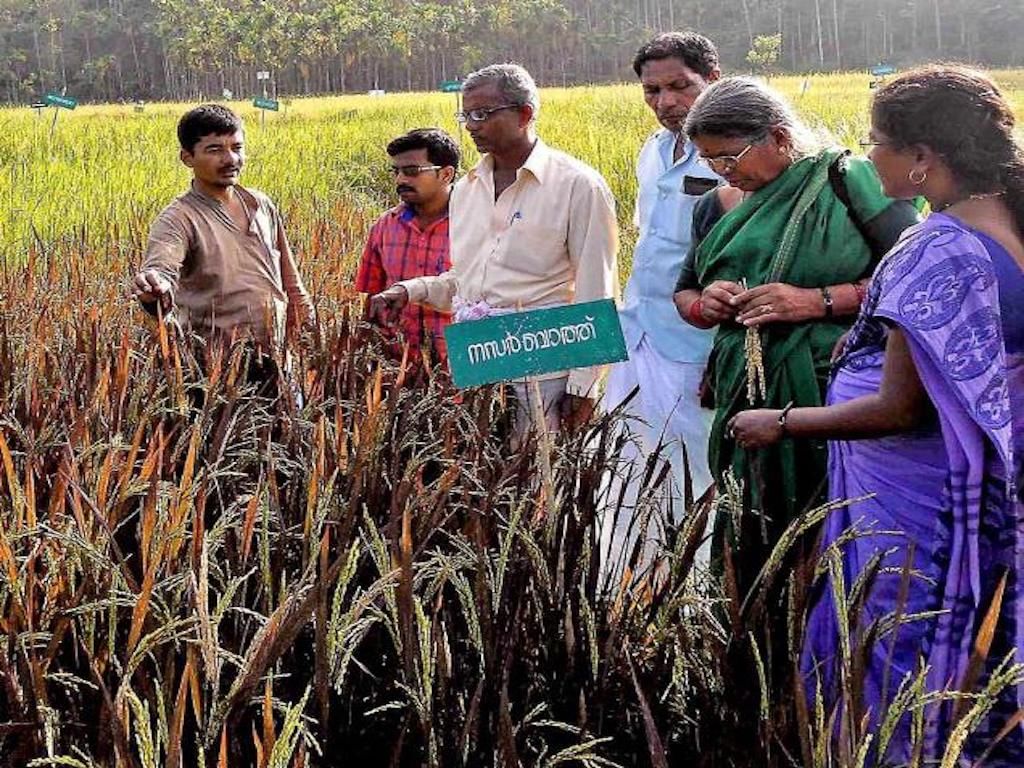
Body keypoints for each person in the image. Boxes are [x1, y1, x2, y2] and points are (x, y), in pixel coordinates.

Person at [730, 65, 1024, 764]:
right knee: (983, 646)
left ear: (922, 158)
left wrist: (782, 420)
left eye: (876, 142)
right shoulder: (1009, 218)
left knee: (904, 647)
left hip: (915, 503)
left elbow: (898, 409)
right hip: (984, 493)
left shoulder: (937, 249)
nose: (867, 156)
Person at [672, 77, 919, 596]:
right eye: (711, 161)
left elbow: (913, 277)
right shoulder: (713, 207)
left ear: (780, 138)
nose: (724, 171)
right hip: (744, 390)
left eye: (731, 156)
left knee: (828, 529)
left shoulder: (846, 183)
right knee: (747, 526)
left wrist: (816, 300)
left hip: (833, 390)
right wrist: (706, 303)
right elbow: (685, 294)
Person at [370, 64, 618, 432]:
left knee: (541, 478)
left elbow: (597, 289)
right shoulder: (468, 189)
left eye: (482, 114)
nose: (470, 125)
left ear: (524, 114)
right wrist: (410, 291)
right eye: (465, 114)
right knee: (484, 475)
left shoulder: (577, 186)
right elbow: (470, 284)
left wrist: (583, 386)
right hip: (479, 358)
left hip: (546, 364)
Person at [600, 32, 721, 578]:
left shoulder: (735, 153)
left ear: (711, 81)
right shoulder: (653, 151)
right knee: (627, 462)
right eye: (652, 90)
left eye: (680, 86)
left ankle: (696, 585)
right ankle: (630, 579)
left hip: (699, 343)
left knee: (696, 471)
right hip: (639, 330)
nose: (665, 102)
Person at [132, 104, 314, 391]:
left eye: (237, 147)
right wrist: (155, 289)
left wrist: (308, 328)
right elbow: (161, 269)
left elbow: (290, 279)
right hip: (216, 371)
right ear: (187, 157)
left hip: (277, 359)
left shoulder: (261, 205)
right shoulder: (178, 219)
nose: (231, 159)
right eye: (215, 149)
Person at [356, 128, 458, 370]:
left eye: (411, 171)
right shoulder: (384, 226)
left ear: (446, 174)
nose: (400, 180)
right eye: (396, 171)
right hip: (398, 369)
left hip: (458, 367)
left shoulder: (476, 224)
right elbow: (372, 298)